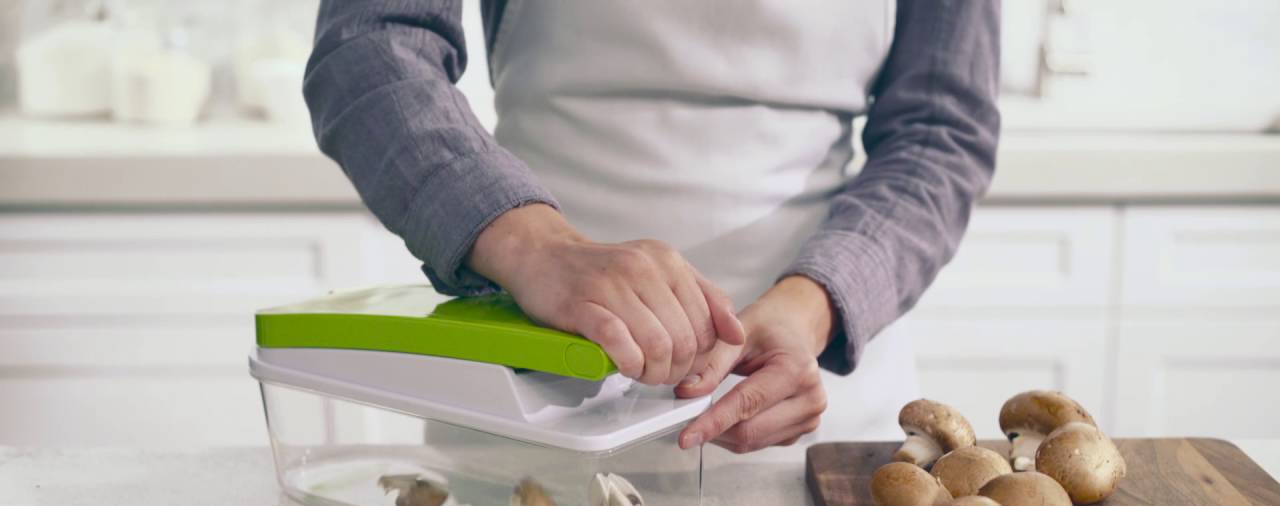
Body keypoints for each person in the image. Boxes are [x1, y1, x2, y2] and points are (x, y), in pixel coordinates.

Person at [304, 0, 999, 452]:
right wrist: (535, 245)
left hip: (815, 422)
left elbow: (940, 130)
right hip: (529, 414)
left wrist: (811, 308)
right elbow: (367, 48)